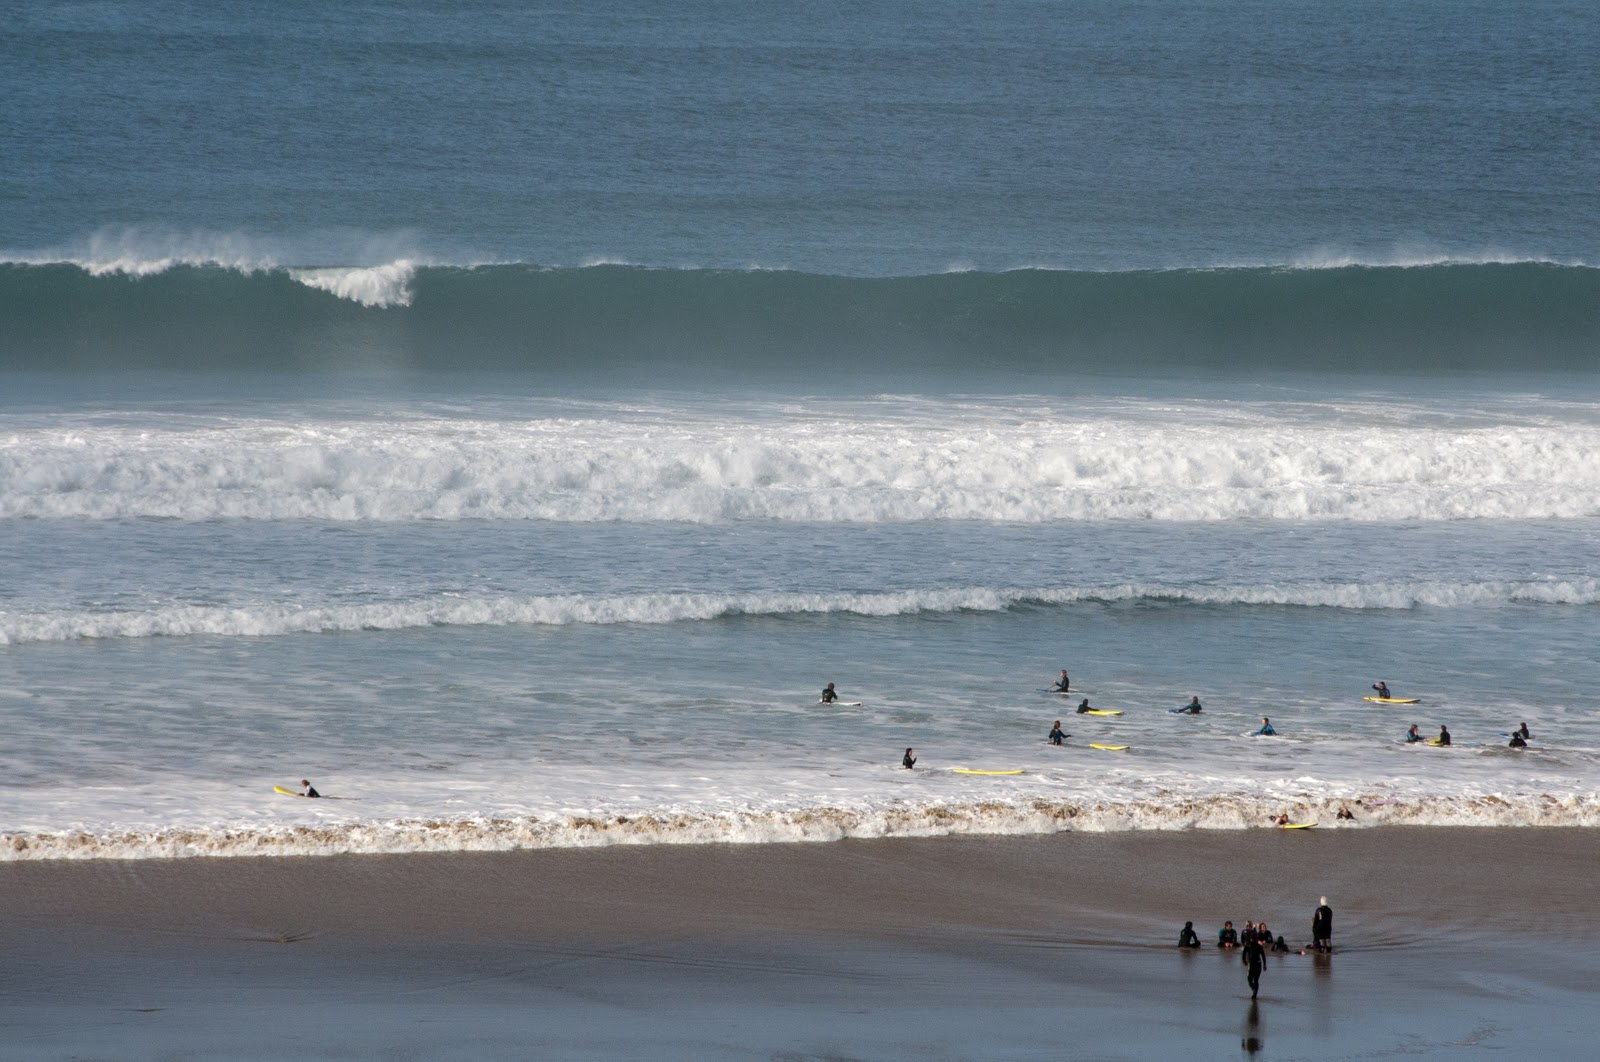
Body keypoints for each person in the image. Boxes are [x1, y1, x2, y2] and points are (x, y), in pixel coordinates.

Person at [1242, 933, 1266, 998]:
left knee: (1249, 979)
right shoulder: (1259, 946)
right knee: (1256, 980)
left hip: (1252, 964)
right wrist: (1264, 965)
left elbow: (1244, 954)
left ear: (1250, 939)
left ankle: (1254, 990)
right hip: (1258, 964)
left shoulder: (1248, 945)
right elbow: (1263, 956)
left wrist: (1244, 961)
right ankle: (1255, 993)